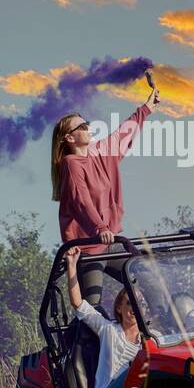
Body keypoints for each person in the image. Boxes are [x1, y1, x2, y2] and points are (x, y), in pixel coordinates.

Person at [51, 86, 160, 305]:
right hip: (88, 248)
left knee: (153, 285)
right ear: (69, 138)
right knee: (92, 308)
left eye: (87, 123)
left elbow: (123, 134)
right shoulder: (71, 164)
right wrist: (100, 228)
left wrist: (146, 108)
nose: (88, 127)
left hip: (110, 244)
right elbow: (81, 201)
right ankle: (83, 338)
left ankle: (155, 335)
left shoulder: (100, 153)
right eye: (82, 126)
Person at [63, 247, 146, 388]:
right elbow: (78, 303)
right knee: (137, 373)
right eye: (130, 303)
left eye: (141, 303)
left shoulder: (152, 338)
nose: (136, 308)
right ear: (119, 308)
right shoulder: (108, 330)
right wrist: (71, 265)